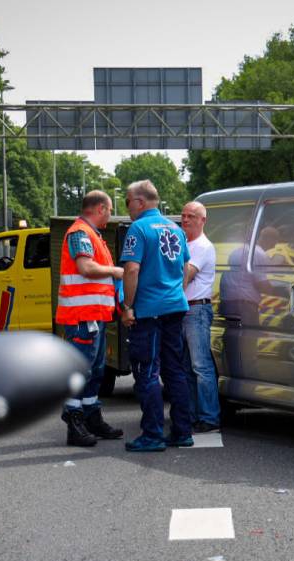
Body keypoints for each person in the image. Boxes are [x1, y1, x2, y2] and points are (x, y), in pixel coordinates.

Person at [120, 181, 194, 452]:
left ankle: (152, 434)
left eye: (128, 201)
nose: (126, 207)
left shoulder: (138, 229)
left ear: (140, 202)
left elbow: (131, 270)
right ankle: (182, 431)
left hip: (149, 311)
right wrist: (177, 293)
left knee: (147, 372)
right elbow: (185, 266)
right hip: (175, 307)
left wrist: (128, 306)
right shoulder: (175, 228)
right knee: (175, 370)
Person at [55, 190, 125, 447]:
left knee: (95, 371)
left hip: (93, 317)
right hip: (81, 317)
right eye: (109, 209)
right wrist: (117, 271)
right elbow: (86, 268)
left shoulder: (93, 235)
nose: (110, 214)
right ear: (99, 209)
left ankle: (91, 417)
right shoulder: (80, 233)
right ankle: (74, 423)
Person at [180, 201, 221, 433]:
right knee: (186, 367)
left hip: (197, 311)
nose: (185, 220)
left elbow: (185, 277)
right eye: (184, 216)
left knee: (200, 366)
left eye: (191, 216)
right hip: (185, 310)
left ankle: (209, 417)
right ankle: (194, 414)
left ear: (202, 220)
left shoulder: (203, 246)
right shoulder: (187, 244)